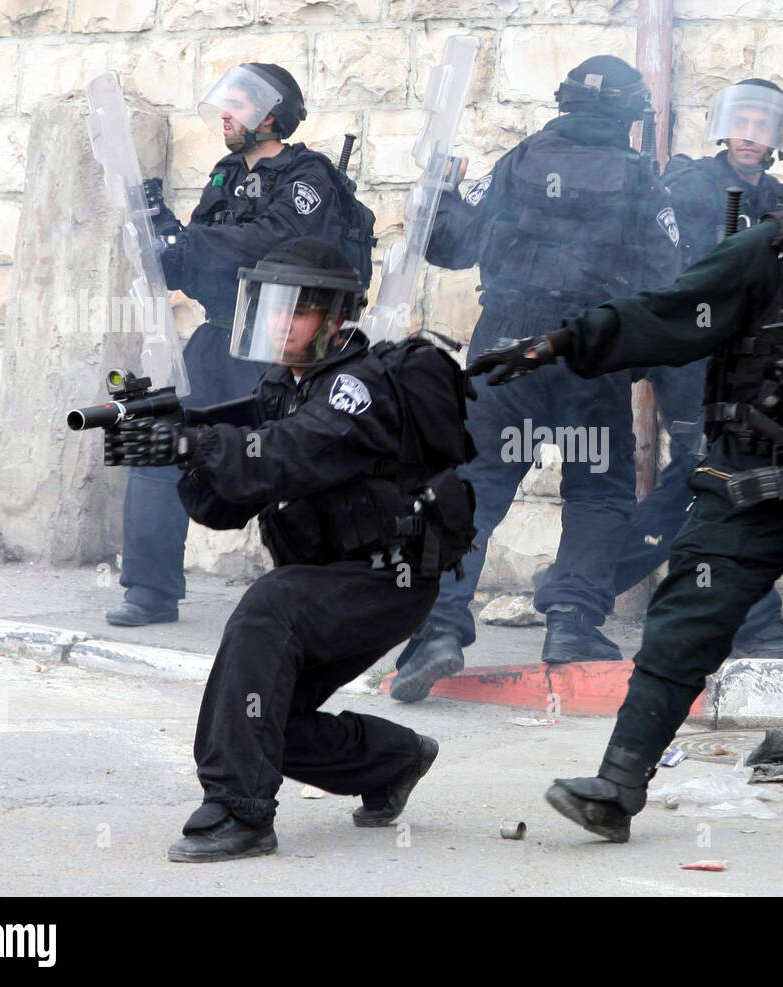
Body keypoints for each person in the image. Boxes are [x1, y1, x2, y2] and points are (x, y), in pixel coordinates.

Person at [472, 92, 783, 847]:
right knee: (684, 631)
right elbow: (666, 311)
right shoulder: (764, 249)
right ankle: (618, 786)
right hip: (748, 476)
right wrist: (557, 343)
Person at [105, 238, 476, 861]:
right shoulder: (284, 387)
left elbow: (285, 456)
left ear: (334, 319)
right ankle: (392, 760)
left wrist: (192, 444)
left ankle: (239, 813)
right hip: (329, 579)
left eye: (297, 311)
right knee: (266, 718)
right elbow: (225, 507)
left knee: (268, 604)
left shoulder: (357, 390)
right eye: (272, 308)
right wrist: (174, 445)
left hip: (388, 579)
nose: (279, 323)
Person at [389, 54, 681, 702]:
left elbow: (449, 247)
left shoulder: (518, 161)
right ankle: (572, 623)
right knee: (598, 490)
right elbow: (667, 277)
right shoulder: (639, 177)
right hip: (588, 346)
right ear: (631, 116)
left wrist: (434, 194)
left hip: (507, 344)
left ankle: (438, 625)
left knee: (475, 485)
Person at [106, 62, 376, 627]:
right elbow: (199, 264)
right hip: (220, 336)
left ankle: (335, 600)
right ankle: (150, 591)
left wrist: (192, 239)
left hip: (283, 346)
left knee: (297, 470)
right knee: (158, 444)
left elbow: (274, 242)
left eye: (239, 104)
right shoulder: (226, 174)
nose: (225, 115)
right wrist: (162, 238)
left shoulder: (308, 175)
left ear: (271, 115)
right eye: (223, 103)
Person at [614, 79, 783, 659]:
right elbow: (661, 269)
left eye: (763, 125)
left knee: (693, 482)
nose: (750, 134)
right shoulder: (691, 186)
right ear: (724, 125)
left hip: (759, 371)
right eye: (741, 121)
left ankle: (587, 580)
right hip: (697, 364)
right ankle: (756, 624)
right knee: (723, 477)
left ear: (778, 136)